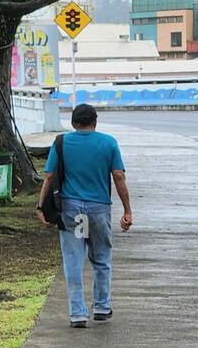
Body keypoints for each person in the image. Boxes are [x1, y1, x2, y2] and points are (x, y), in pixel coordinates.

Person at [36, 103, 133, 328]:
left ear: (73, 123)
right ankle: (101, 306)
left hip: (71, 209)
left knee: (73, 260)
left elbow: (49, 176)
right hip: (99, 209)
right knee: (101, 258)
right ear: (95, 121)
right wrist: (127, 210)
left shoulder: (62, 142)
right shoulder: (109, 143)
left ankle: (77, 313)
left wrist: (41, 206)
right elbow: (118, 176)